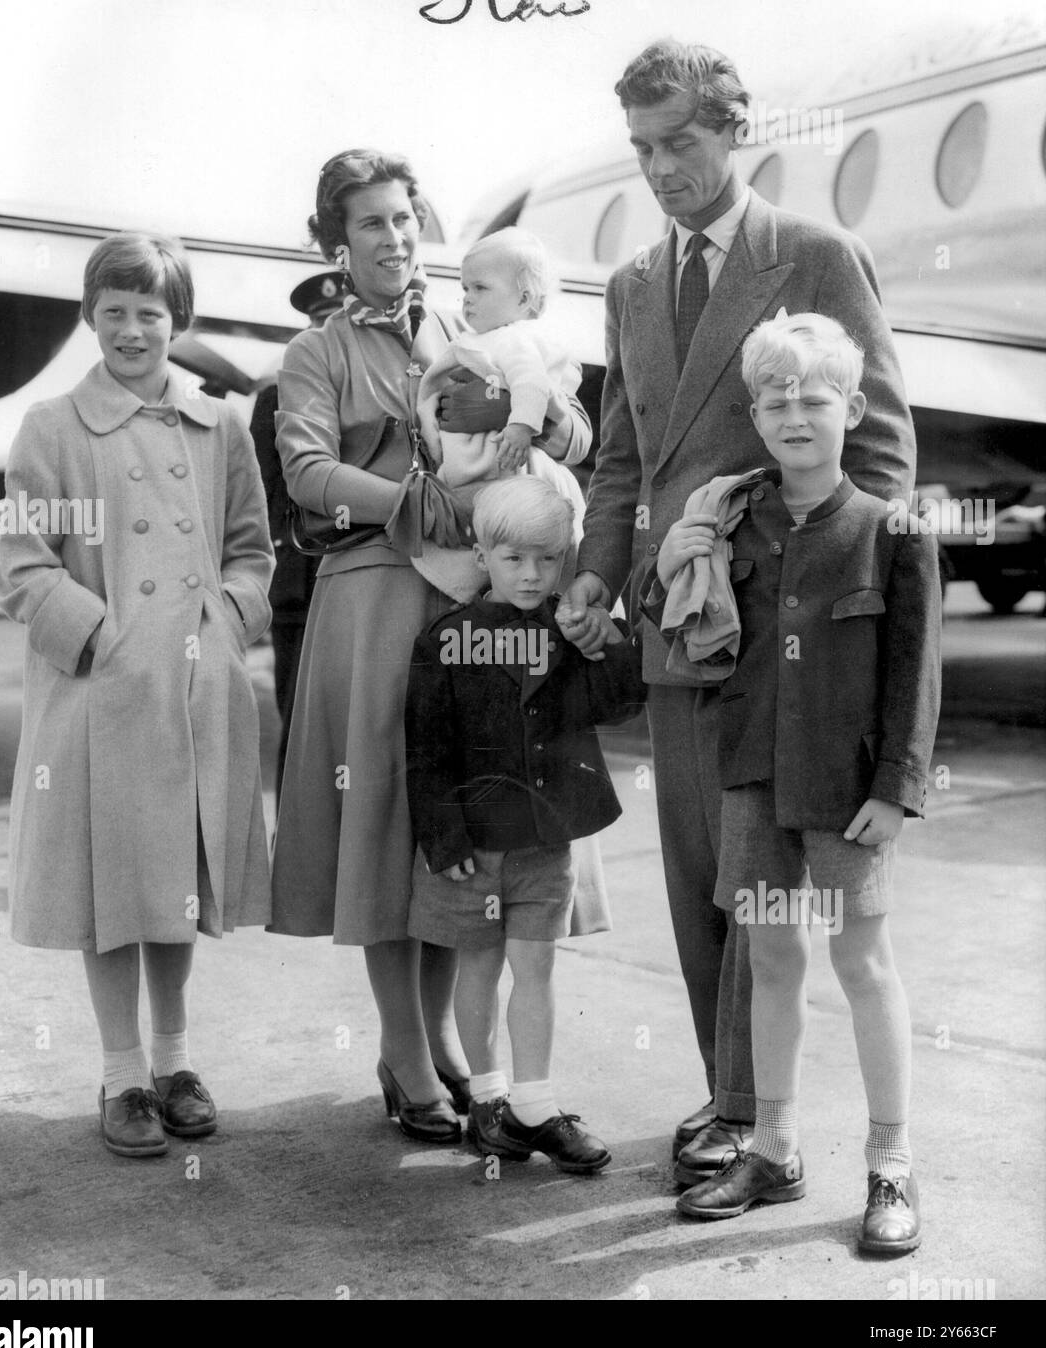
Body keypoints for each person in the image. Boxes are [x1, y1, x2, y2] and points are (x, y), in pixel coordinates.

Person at [555, 39, 916, 1178]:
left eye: (683, 142)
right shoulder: (628, 285)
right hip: (677, 620)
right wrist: (595, 577)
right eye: (645, 149)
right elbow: (622, 461)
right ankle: (731, 1098)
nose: (661, 169)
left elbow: (887, 450)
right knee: (700, 877)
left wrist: (848, 612)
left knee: (764, 889)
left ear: (734, 131)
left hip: (785, 637)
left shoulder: (814, 255)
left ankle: (762, 1118)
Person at [268, 150, 592, 1142]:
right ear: (339, 242)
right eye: (371, 223)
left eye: (405, 219)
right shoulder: (317, 352)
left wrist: (566, 425)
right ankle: (405, 1052)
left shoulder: (474, 326)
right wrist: (415, 500)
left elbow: (562, 424)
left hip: (480, 603)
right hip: (374, 600)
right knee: (384, 818)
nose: (395, 238)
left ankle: (453, 1046)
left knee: (464, 825)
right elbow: (306, 469)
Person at [648, 313, 940, 1251]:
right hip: (756, 779)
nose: (793, 414)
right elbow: (675, 623)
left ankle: (891, 1166)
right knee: (774, 959)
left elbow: (915, 671)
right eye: (774, 401)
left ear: (852, 408)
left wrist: (895, 790)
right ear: (755, 414)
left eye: (814, 398)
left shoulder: (892, 531)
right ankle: (773, 1148)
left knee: (862, 965)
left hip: (852, 792)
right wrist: (683, 551)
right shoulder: (731, 519)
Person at [0, 232, 274, 1157]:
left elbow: (250, 552)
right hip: (98, 697)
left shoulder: (220, 425)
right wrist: (101, 637)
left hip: (194, 689)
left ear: (177, 322)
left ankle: (176, 1060)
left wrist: (228, 624)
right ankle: (121, 1075)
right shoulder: (52, 428)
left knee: (179, 881)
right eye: (112, 310)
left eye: (149, 312)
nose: (131, 329)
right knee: (108, 885)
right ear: (89, 317)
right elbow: (24, 567)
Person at [405, 476, 646, 1172]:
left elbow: (621, 702)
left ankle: (534, 1108)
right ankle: (489, 1102)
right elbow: (425, 746)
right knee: (477, 965)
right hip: (474, 847)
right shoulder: (447, 640)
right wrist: (442, 834)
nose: (533, 574)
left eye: (548, 558)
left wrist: (605, 642)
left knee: (535, 967)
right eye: (514, 559)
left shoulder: (570, 631)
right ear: (482, 556)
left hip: (545, 841)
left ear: (566, 556)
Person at [412, 228, 585, 602]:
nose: (467, 300)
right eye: (464, 289)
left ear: (523, 299)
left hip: (506, 461)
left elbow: (532, 383)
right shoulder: (482, 339)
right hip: (473, 463)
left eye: (480, 288)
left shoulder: (515, 338)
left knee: (511, 536)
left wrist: (521, 426)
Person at [248, 270, 346, 797]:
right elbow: (263, 493)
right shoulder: (277, 396)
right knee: (300, 720)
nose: (328, 331)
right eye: (318, 322)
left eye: (338, 320)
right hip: (300, 589)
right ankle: (292, 847)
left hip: (364, 577)